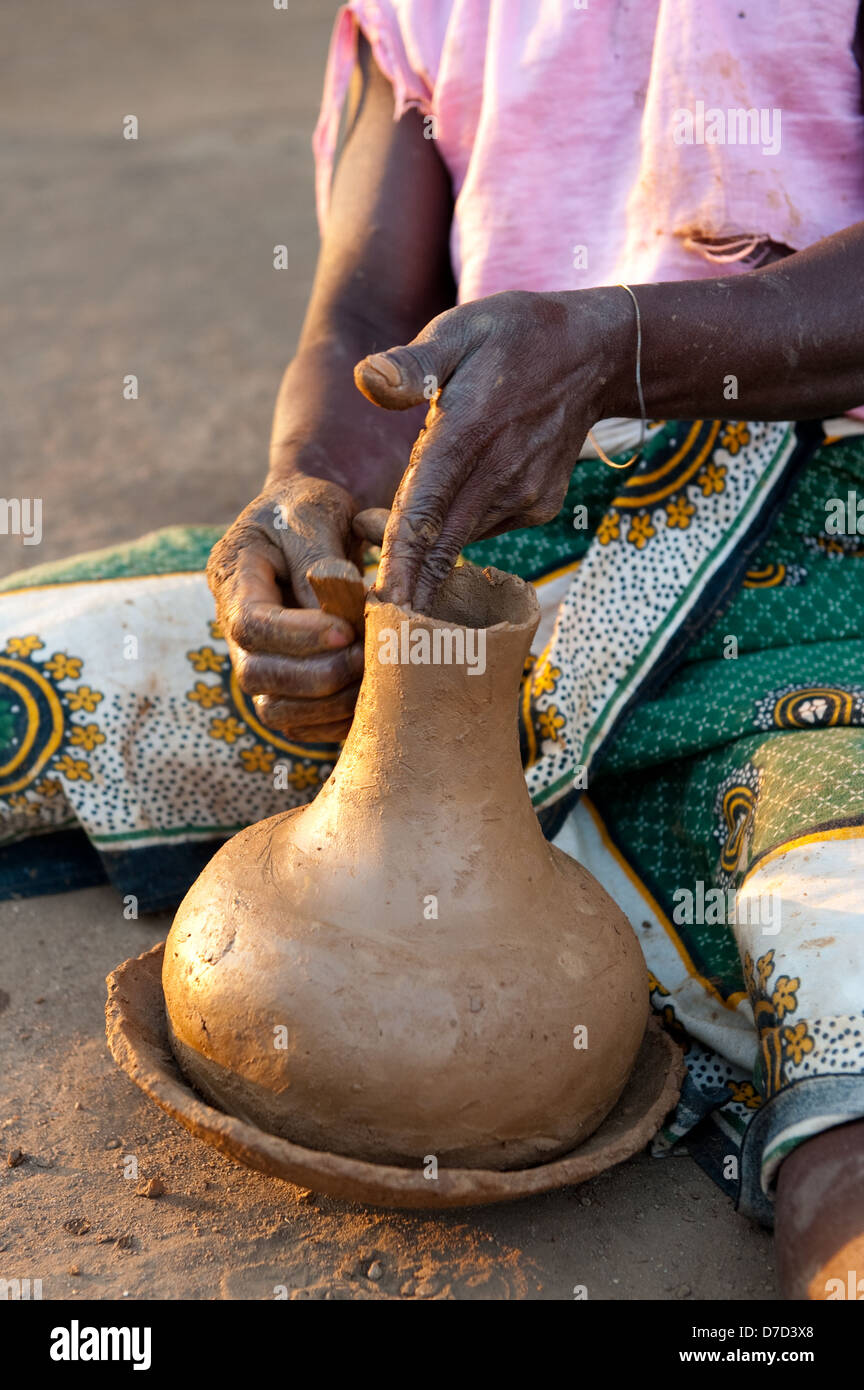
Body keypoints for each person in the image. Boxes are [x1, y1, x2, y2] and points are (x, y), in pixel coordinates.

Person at [1, 0, 862, 1299]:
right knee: (30, 682)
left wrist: (616, 351)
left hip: (815, 577)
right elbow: (362, 326)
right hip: (485, 532)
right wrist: (299, 503)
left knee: (838, 1008)